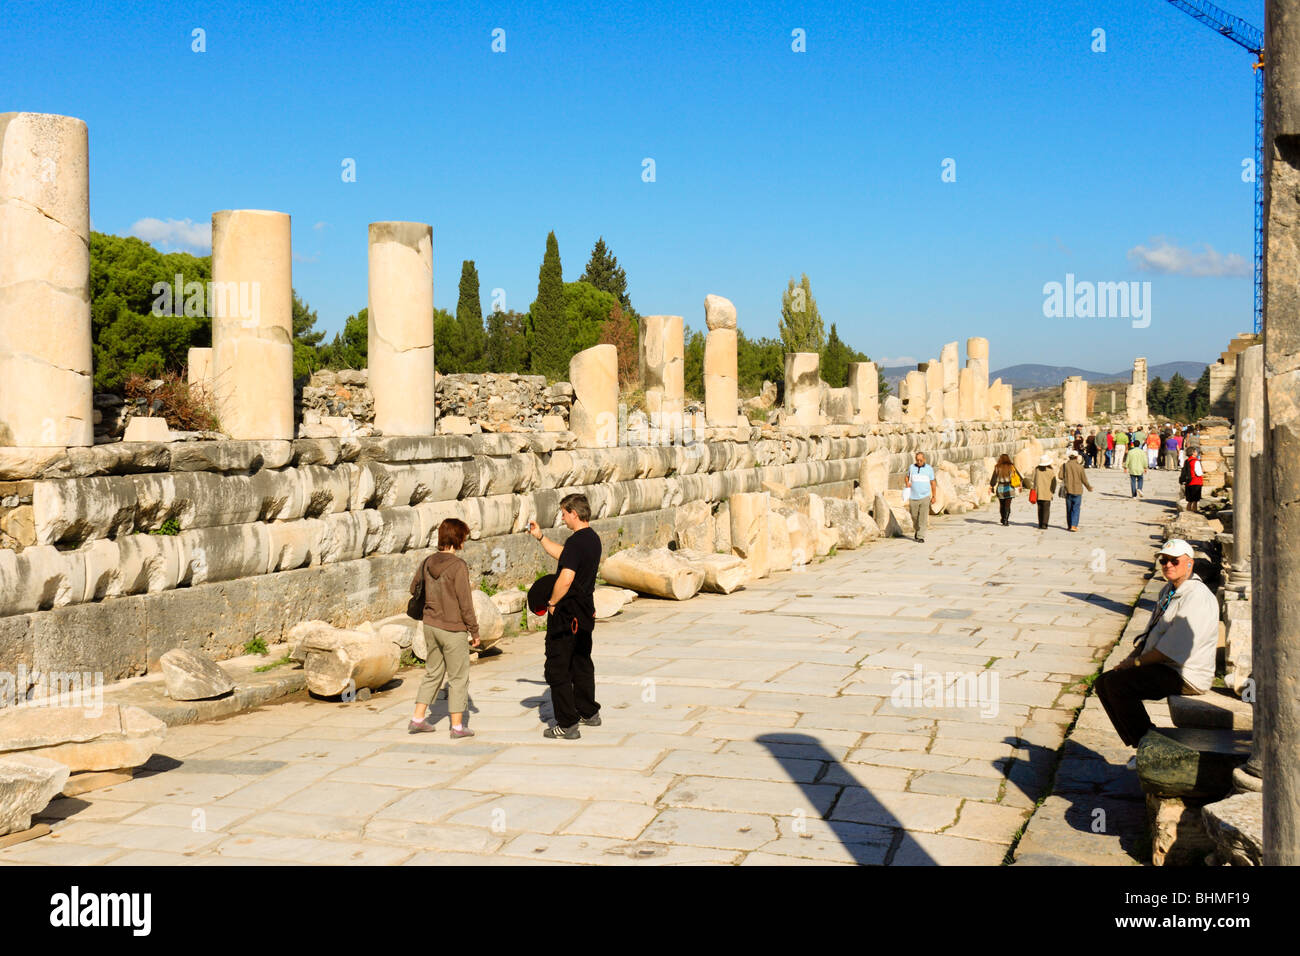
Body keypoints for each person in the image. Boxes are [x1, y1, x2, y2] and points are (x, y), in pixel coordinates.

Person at [1094, 539, 1218, 769]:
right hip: (1167, 665)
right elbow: (1152, 633)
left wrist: (1136, 663)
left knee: (1118, 686)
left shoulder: (1196, 597)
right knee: (1103, 683)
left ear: (1189, 563)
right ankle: (1143, 743)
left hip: (1186, 672)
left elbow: (1168, 651)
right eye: (1164, 561)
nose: (1168, 565)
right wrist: (1129, 659)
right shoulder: (1169, 589)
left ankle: (1149, 746)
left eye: (1174, 561)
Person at [527, 493, 601, 740]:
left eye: (563, 513)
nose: (562, 517)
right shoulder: (591, 539)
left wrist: (552, 602)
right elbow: (565, 554)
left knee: (557, 668)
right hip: (585, 613)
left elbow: (566, 576)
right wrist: (540, 537)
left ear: (574, 514)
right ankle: (588, 712)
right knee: (581, 663)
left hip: (567, 613)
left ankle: (567, 724)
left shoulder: (577, 542)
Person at [408, 518, 480, 738]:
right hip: (453, 628)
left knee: (433, 672)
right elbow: (465, 602)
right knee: (458, 677)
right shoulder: (458, 566)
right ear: (458, 539)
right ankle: (457, 727)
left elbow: (413, 588)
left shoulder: (427, 561)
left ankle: (418, 719)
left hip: (430, 624)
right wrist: (474, 631)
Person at [1060, 449, 1093, 532]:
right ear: (1076, 457)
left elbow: (1060, 476)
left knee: (1069, 508)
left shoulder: (1064, 466)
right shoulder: (1080, 467)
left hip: (1068, 490)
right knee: (1076, 508)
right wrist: (1089, 487)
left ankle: (1069, 525)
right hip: (1078, 490)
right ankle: (1074, 525)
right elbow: (1084, 480)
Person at [906, 452, 935, 543]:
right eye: (917, 460)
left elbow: (933, 483)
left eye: (921, 460)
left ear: (924, 460)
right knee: (914, 516)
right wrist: (907, 483)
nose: (919, 462)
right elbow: (907, 477)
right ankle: (917, 530)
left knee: (923, 517)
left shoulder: (929, 469)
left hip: (925, 497)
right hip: (913, 496)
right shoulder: (911, 467)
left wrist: (934, 496)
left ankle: (920, 536)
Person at [989, 453, 1021, 526]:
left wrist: (992, 486)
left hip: (1000, 487)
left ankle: (1003, 517)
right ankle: (1005, 520)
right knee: (1007, 504)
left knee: (1002, 504)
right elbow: (1018, 476)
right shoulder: (1011, 466)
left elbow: (994, 478)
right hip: (1009, 487)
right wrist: (1020, 485)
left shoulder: (997, 467)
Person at [1032, 454, 1057, 530]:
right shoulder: (1050, 471)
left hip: (1038, 492)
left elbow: (1033, 479)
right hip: (1047, 492)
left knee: (1040, 508)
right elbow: (1054, 482)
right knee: (1046, 509)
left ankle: (1040, 523)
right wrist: (1052, 491)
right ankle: (1044, 524)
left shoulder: (1036, 470)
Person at [1180, 449, 1204, 513]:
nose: (1197, 452)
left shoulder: (1186, 461)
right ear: (1193, 453)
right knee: (1195, 500)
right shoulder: (1196, 461)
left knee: (1190, 500)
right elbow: (1199, 473)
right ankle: (1195, 511)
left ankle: (1188, 511)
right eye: (1196, 451)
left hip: (1188, 482)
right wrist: (1203, 470)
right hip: (1196, 482)